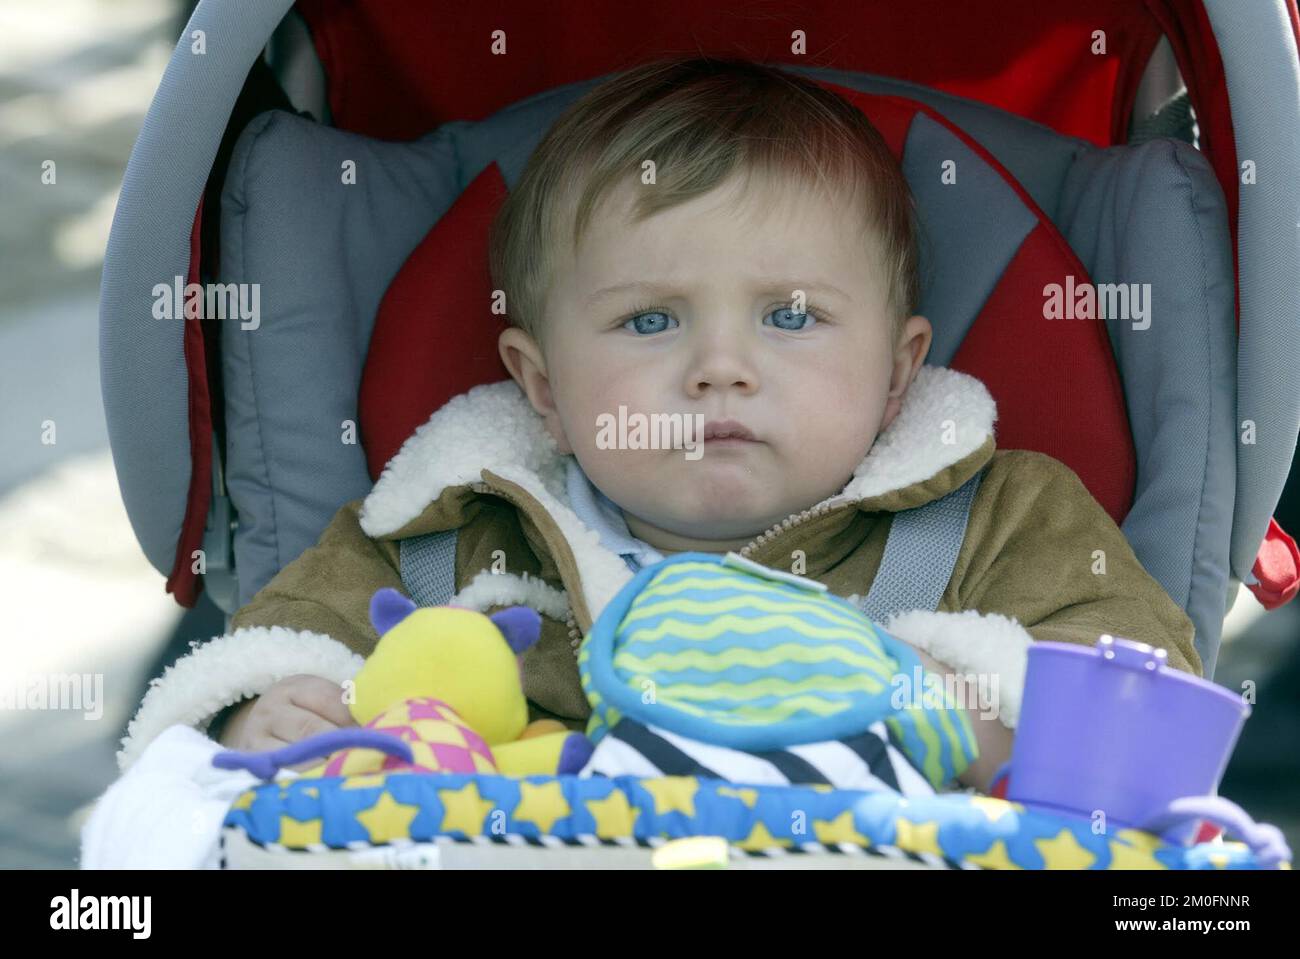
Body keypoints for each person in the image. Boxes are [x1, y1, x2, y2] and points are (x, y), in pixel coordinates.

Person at [119, 57, 1199, 795]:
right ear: (540, 384)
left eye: (790, 316)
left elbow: (1149, 699)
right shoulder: (447, 531)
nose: (720, 367)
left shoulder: (998, 518)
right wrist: (256, 719)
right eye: (648, 319)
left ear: (896, 373)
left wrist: (979, 715)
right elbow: (278, 649)